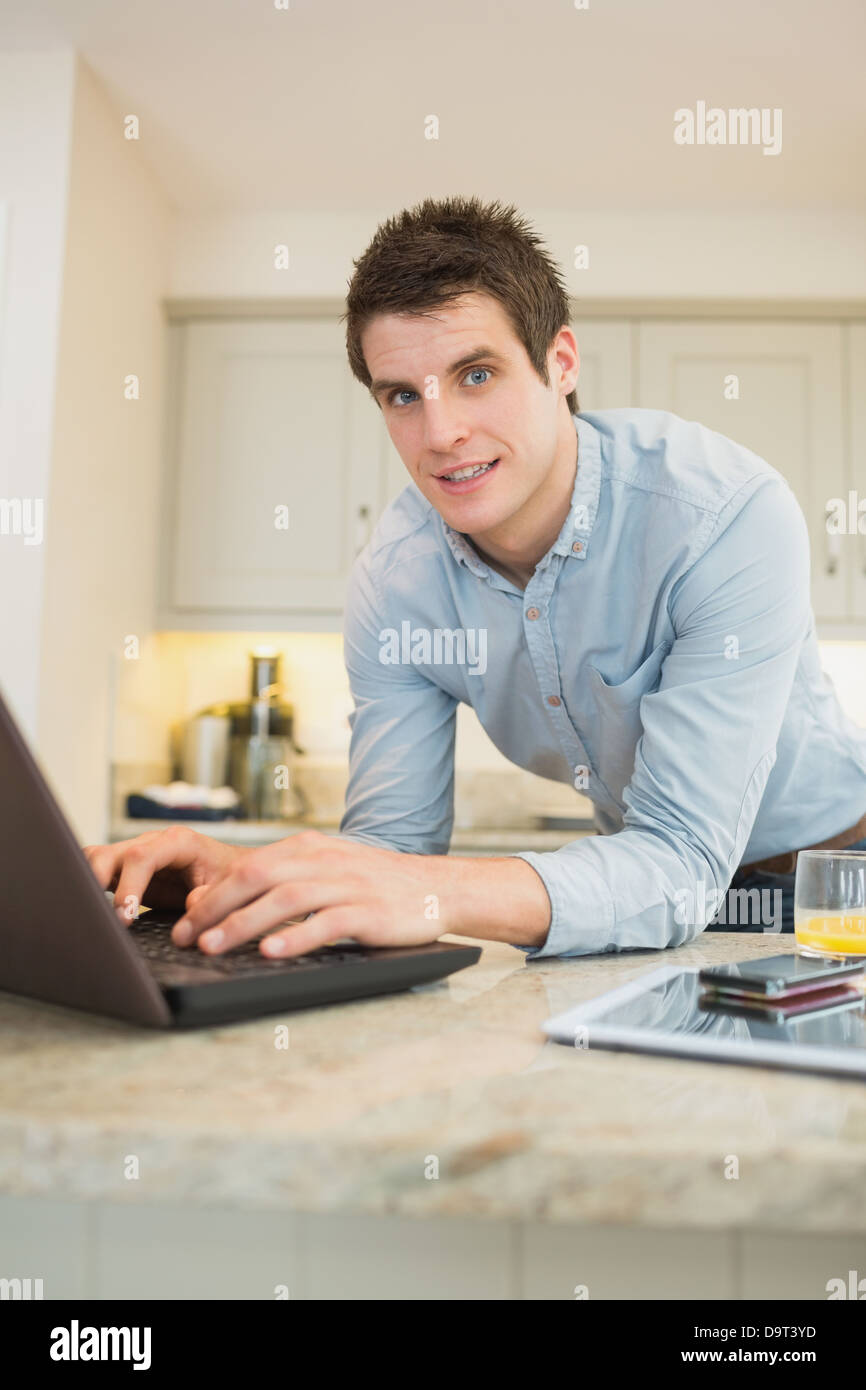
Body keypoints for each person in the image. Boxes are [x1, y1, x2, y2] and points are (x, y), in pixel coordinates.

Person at [85, 196, 866, 960]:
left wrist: (434, 891)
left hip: (835, 879)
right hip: (637, 894)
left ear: (559, 362)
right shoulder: (396, 586)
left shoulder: (720, 518)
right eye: (402, 396)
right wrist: (254, 878)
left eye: (477, 374)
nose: (441, 432)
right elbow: (388, 853)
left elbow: (680, 862)